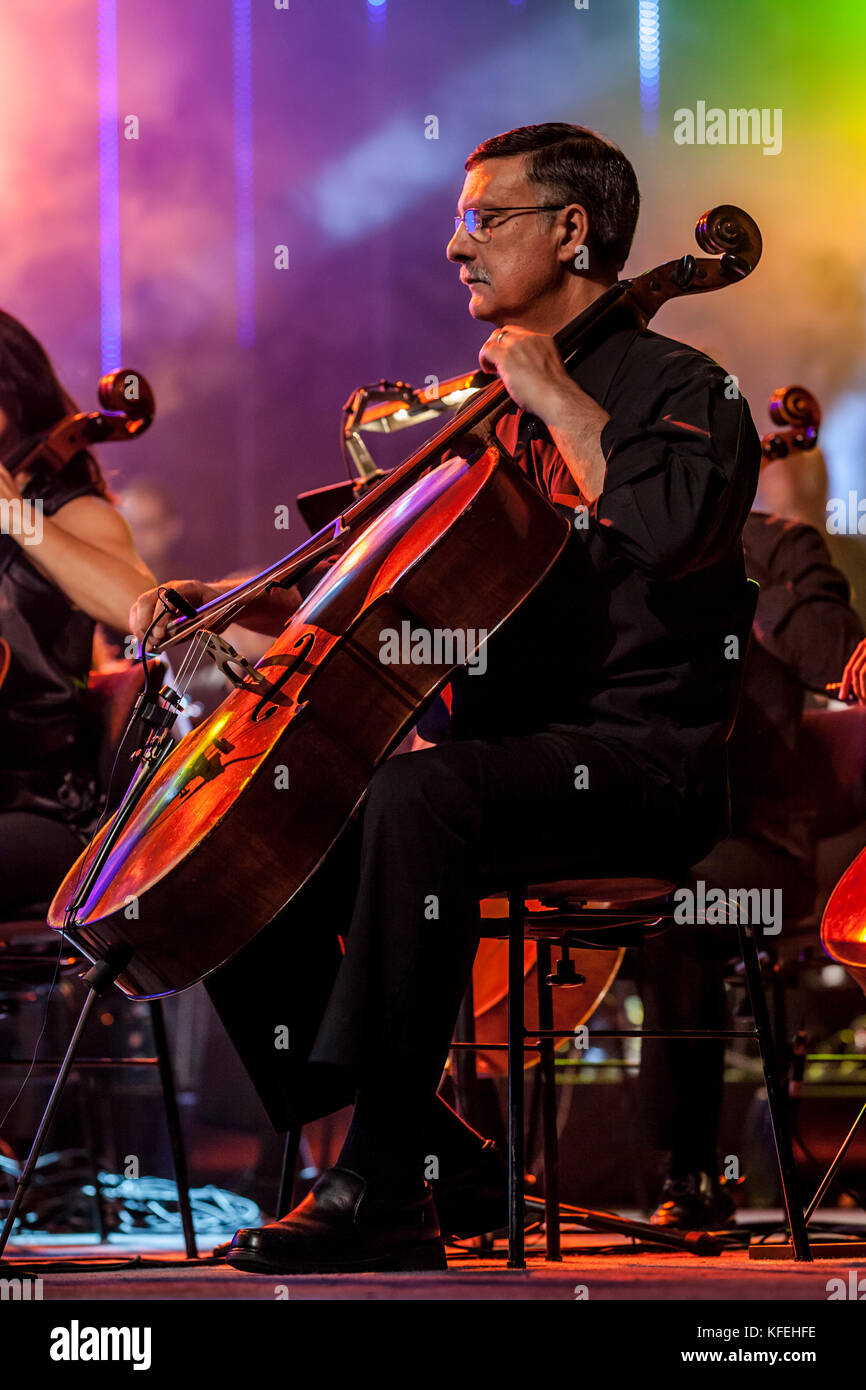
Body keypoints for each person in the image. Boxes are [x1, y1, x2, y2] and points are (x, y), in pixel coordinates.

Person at [131, 122, 761, 1274]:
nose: (452, 247)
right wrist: (214, 599)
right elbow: (364, 583)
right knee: (229, 842)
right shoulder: (485, 413)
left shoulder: (685, 385)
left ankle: (383, 1183)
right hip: (484, 769)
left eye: (483, 219)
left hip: (637, 768)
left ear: (571, 232)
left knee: (415, 800)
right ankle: (436, 1149)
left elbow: (673, 533)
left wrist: (564, 404)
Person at [639, 500, 864, 1229]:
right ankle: (458, 1170)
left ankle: (693, 1173)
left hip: (759, 848)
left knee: (676, 908)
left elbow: (838, 646)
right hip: (646, 830)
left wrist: (727, 575)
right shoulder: (618, 550)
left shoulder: (778, 543)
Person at [0, 310, 155, 914]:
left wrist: (16, 519)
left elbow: (144, 611)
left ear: (12, 395)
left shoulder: (70, 515)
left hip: (39, 807)